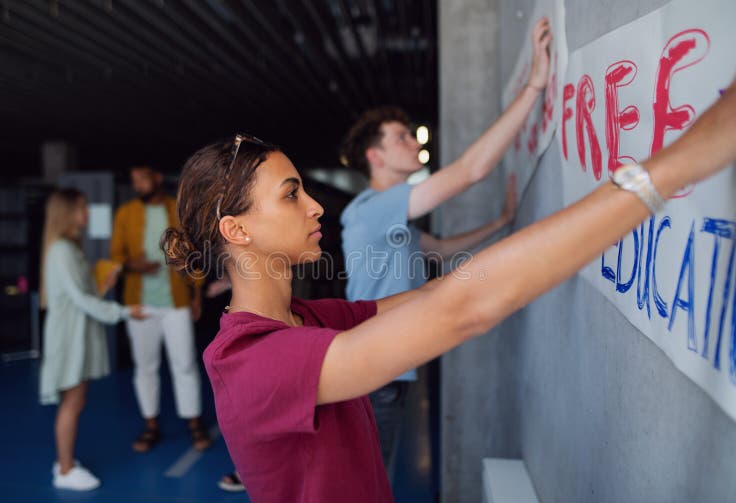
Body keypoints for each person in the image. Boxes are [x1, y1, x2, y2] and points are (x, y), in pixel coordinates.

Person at [160, 87, 736, 503]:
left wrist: (533, 237)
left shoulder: (308, 317)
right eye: (291, 196)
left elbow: (443, 290)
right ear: (237, 230)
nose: (314, 206)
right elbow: (461, 309)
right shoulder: (248, 358)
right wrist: (676, 164)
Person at [338, 18, 548, 471]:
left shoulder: (393, 216)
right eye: (401, 138)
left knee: (370, 477)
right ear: (375, 157)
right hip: (374, 368)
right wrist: (534, 87)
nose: (413, 142)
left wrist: (502, 220)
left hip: (386, 367)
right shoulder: (372, 207)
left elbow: (439, 251)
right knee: (364, 483)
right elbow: (471, 171)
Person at [39, 188, 145, 491]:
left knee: (76, 400)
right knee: (72, 402)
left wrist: (103, 286)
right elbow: (81, 302)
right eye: (82, 208)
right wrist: (125, 311)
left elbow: (83, 298)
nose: (86, 213)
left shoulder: (69, 248)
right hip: (68, 337)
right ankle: (65, 468)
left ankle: (65, 462)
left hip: (75, 334)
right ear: (68, 212)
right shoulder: (61, 250)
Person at [110, 165, 210, 452]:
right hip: (140, 304)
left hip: (176, 302)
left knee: (185, 365)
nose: (138, 185)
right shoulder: (125, 214)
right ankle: (150, 424)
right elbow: (116, 257)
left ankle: (194, 422)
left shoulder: (176, 210)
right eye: (134, 181)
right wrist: (133, 265)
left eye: (142, 179)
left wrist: (197, 295)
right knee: (145, 367)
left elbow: (192, 255)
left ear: (157, 178)